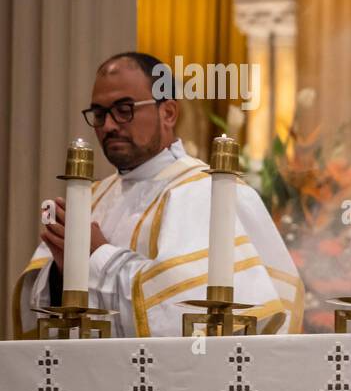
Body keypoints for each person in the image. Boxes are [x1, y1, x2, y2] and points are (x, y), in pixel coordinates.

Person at [11, 52, 301, 337]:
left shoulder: (206, 193)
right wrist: (63, 271)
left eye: (124, 109)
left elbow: (188, 315)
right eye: (99, 114)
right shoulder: (92, 197)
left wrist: (98, 255)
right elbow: (42, 313)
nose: (108, 125)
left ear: (168, 112)